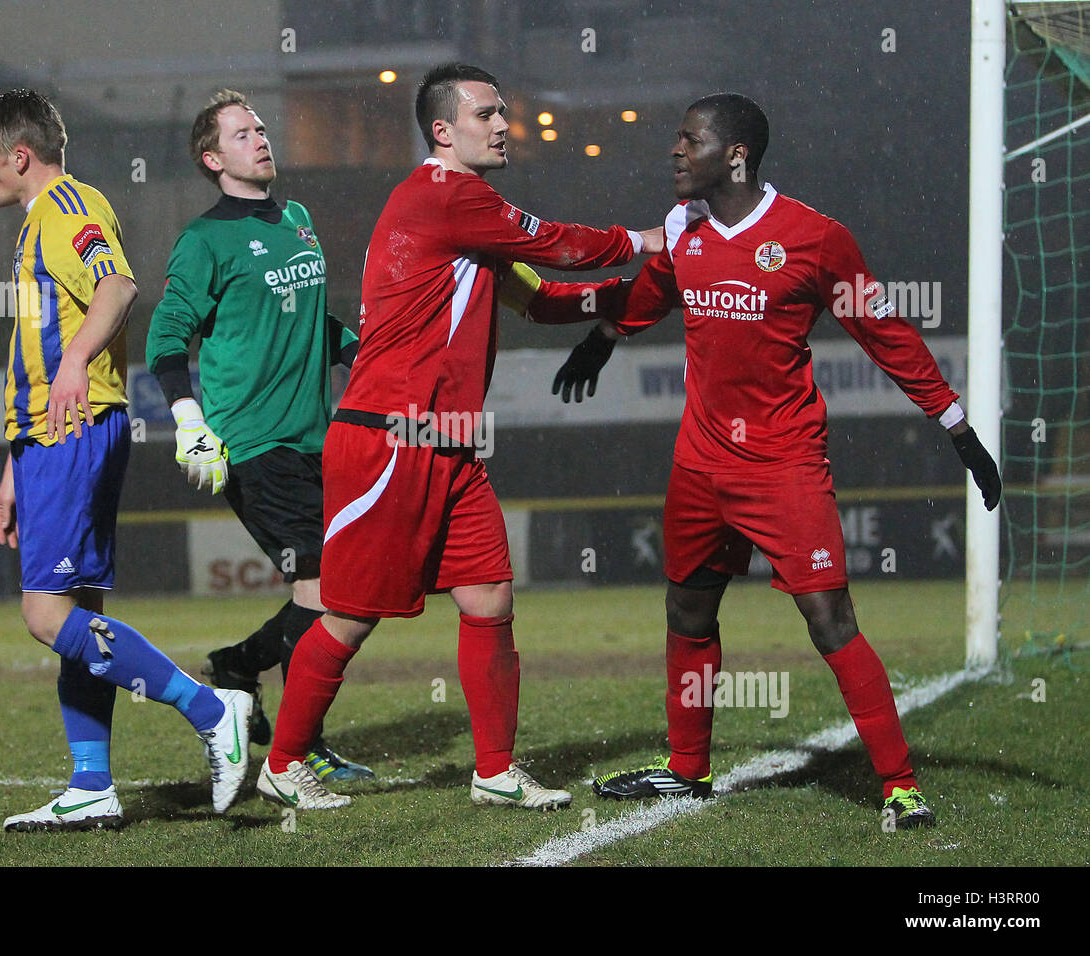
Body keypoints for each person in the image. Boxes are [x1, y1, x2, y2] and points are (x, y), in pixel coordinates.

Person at [550, 93, 1002, 829]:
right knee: (687, 609)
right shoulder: (683, 228)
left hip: (782, 464)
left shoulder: (815, 239)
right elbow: (657, 288)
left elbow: (883, 330)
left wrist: (955, 425)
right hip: (699, 463)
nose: (674, 150)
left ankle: (901, 785)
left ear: (735, 155)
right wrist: (603, 336)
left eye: (688, 139)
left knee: (829, 619)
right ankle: (686, 771)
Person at [253, 63, 664, 812]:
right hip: (391, 437)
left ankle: (495, 770)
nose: (504, 123)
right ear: (442, 131)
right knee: (348, 613)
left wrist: (641, 291)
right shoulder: (445, 197)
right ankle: (283, 762)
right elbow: (559, 244)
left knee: (488, 598)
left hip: (447, 444)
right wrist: (648, 237)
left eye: (504, 110)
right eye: (487, 113)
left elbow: (543, 302)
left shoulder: (470, 224)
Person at [0, 89, 251, 831]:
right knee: (80, 614)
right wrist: (12, 467)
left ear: (17, 156)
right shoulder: (39, 222)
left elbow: (119, 285)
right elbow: (39, 350)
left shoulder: (65, 209)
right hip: (48, 436)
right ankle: (91, 783)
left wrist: (76, 365)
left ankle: (211, 707)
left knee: (44, 612)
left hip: (73, 427)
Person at [146, 89, 373, 784]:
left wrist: (362, 355)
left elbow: (313, 322)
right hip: (252, 443)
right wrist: (188, 418)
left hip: (316, 439)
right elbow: (163, 333)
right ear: (213, 159)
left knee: (345, 589)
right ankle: (297, 752)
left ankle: (242, 665)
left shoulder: (296, 218)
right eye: (243, 134)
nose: (262, 139)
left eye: (262, 128)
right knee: (328, 587)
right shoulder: (204, 240)